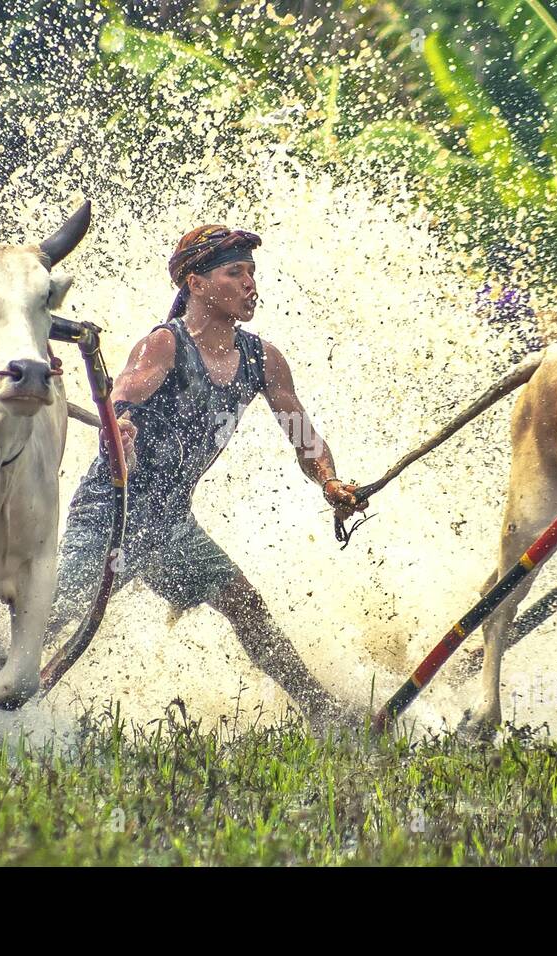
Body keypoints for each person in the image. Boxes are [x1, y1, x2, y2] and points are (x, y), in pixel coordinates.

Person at [46, 224, 366, 727]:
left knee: (245, 607)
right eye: (235, 273)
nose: (249, 284)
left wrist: (329, 482)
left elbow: (302, 434)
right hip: (114, 512)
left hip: (172, 524)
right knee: (57, 616)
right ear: (195, 284)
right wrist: (120, 431)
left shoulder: (263, 359)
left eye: (251, 273)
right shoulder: (163, 345)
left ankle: (323, 713)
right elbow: (121, 402)